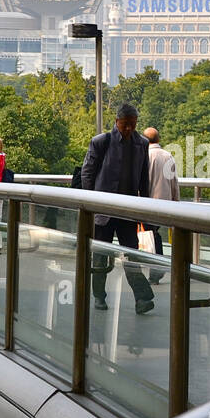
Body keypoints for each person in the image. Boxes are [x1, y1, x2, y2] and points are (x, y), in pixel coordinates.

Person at [82, 103, 155, 314]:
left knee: (131, 255)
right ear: (117, 122)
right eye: (126, 125)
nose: (129, 129)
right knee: (100, 256)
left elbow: (144, 178)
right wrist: (91, 203)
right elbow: (88, 173)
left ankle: (142, 298)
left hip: (127, 211)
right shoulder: (101, 141)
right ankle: (99, 296)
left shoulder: (142, 143)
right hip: (102, 211)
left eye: (133, 125)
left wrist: (145, 207)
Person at [141, 127, 179, 284]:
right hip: (165, 204)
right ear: (158, 138)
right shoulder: (167, 155)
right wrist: (176, 202)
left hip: (148, 204)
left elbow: (143, 182)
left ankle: (156, 271)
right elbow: (174, 182)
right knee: (154, 235)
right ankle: (157, 271)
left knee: (151, 236)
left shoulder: (145, 155)